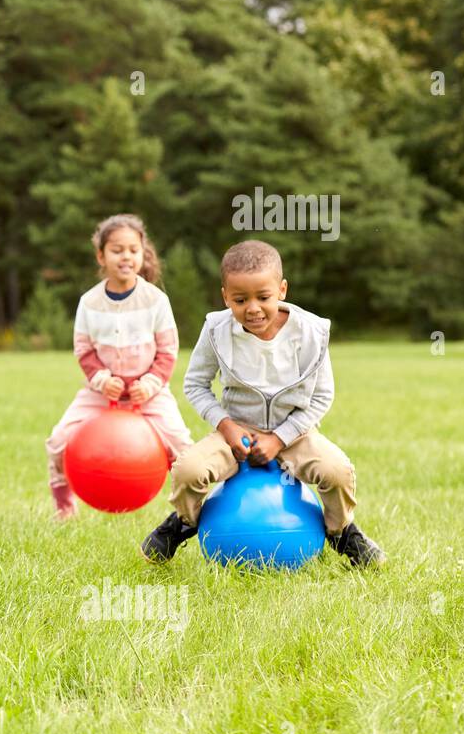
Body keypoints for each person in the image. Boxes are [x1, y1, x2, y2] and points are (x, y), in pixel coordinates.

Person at [141, 239, 384, 567]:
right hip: (236, 431)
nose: (252, 308)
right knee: (189, 469)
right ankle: (184, 522)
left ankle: (341, 531)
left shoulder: (310, 333)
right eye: (240, 300)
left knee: (336, 471)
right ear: (226, 296)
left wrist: (279, 439)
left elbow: (322, 396)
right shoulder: (216, 331)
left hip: (294, 433)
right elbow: (195, 384)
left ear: (282, 290)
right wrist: (226, 427)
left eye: (263, 297)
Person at [46, 214, 193, 520]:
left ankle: (189, 512)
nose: (125, 256)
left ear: (142, 253)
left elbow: (168, 350)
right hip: (101, 391)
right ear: (101, 255)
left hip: (149, 392)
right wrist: (101, 379)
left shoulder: (156, 300)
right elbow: (84, 349)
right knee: (58, 440)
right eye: (116, 250)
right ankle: (63, 510)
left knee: (183, 447)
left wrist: (151, 383)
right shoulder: (89, 302)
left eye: (133, 250)